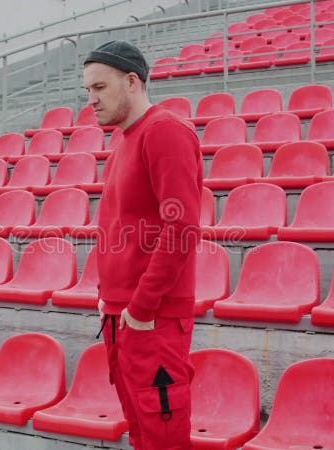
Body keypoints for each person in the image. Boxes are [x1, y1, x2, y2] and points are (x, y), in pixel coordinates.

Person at [83, 40, 202, 450]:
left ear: (131, 81)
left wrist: (141, 307)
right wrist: (108, 299)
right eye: (87, 91)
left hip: (152, 318)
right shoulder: (121, 145)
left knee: (163, 436)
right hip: (120, 316)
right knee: (141, 433)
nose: (91, 100)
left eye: (99, 88)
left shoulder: (164, 131)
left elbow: (182, 227)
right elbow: (121, 227)